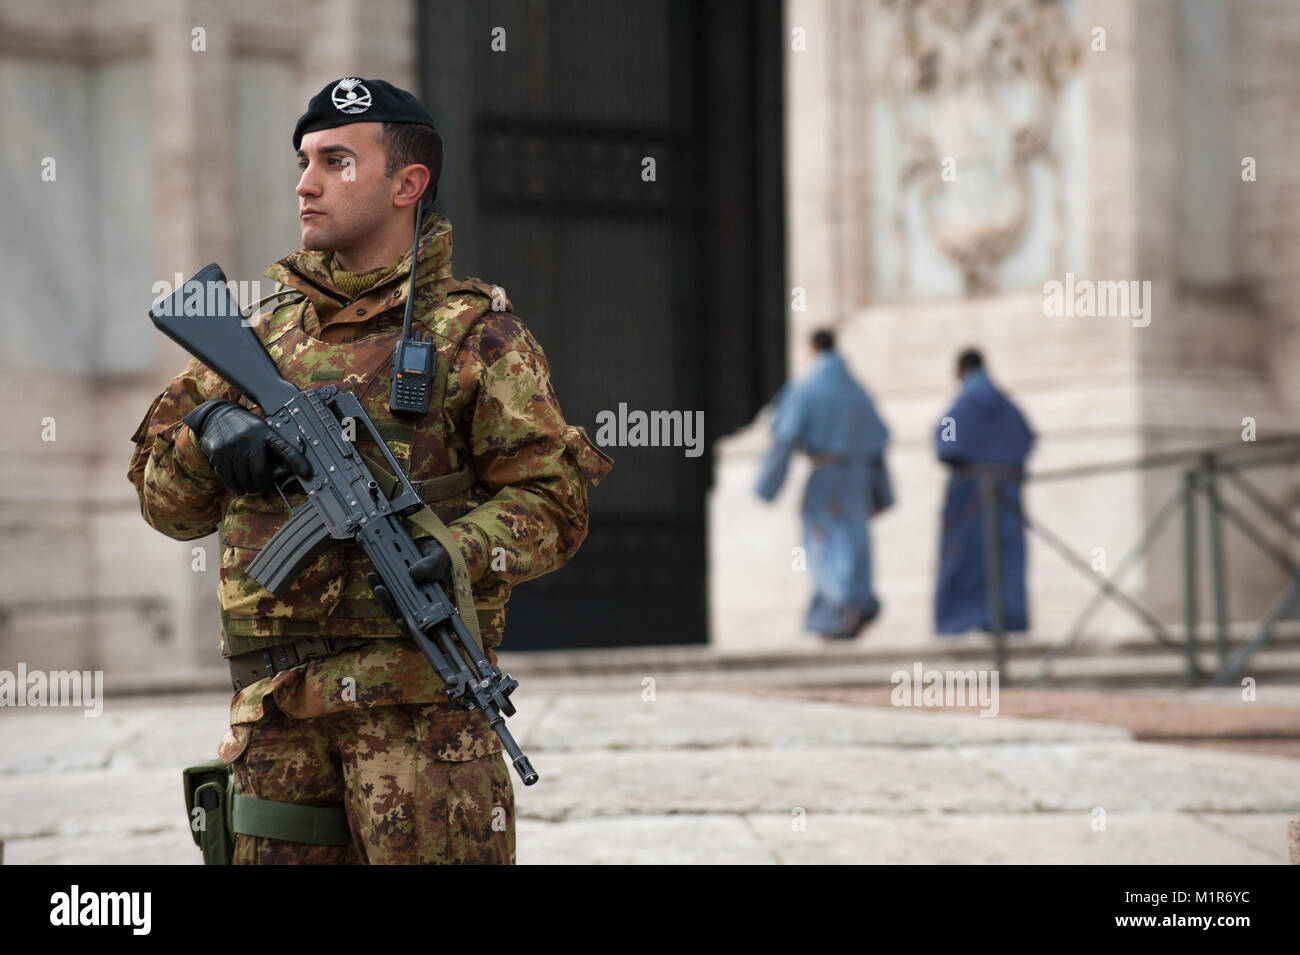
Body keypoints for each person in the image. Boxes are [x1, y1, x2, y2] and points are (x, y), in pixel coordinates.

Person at [127, 77, 613, 864]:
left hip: (422, 727)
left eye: (336, 161)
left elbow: (554, 501)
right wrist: (210, 432)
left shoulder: (474, 334)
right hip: (275, 720)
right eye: (303, 161)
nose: (304, 183)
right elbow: (167, 505)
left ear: (407, 185)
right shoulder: (256, 336)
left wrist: (454, 549)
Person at [755, 329, 892, 640]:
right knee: (855, 544)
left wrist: (766, 486)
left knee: (823, 543)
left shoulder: (806, 389)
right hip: (858, 479)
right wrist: (882, 495)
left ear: (812, 349)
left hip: (827, 477)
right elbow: (877, 443)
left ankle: (843, 604)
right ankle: (852, 606)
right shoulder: (858, 391)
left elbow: (784, 438)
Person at [933, 348, 1034, 635]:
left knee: (963, 557)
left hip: (972, 493)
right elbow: (1027, 438)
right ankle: (1008, 618)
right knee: (1007, 558)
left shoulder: (961, 406)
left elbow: (945, 443)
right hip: (1007, 490)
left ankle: (963, 620)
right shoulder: (1008, 404)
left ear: (962, 370)